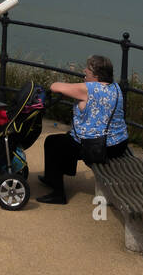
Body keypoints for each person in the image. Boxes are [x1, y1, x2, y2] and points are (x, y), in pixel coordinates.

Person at [36, 55, 128, 204]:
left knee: (53, 143)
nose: (84, 70)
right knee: (68, 138)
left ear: (96, 75)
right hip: (118, 145)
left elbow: (55, 86)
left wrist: (76, 84)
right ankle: (52, 177)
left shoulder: (90, 89)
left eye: (88, 69)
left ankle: (58, 193)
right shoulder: (116, 87)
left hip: (99, 148)